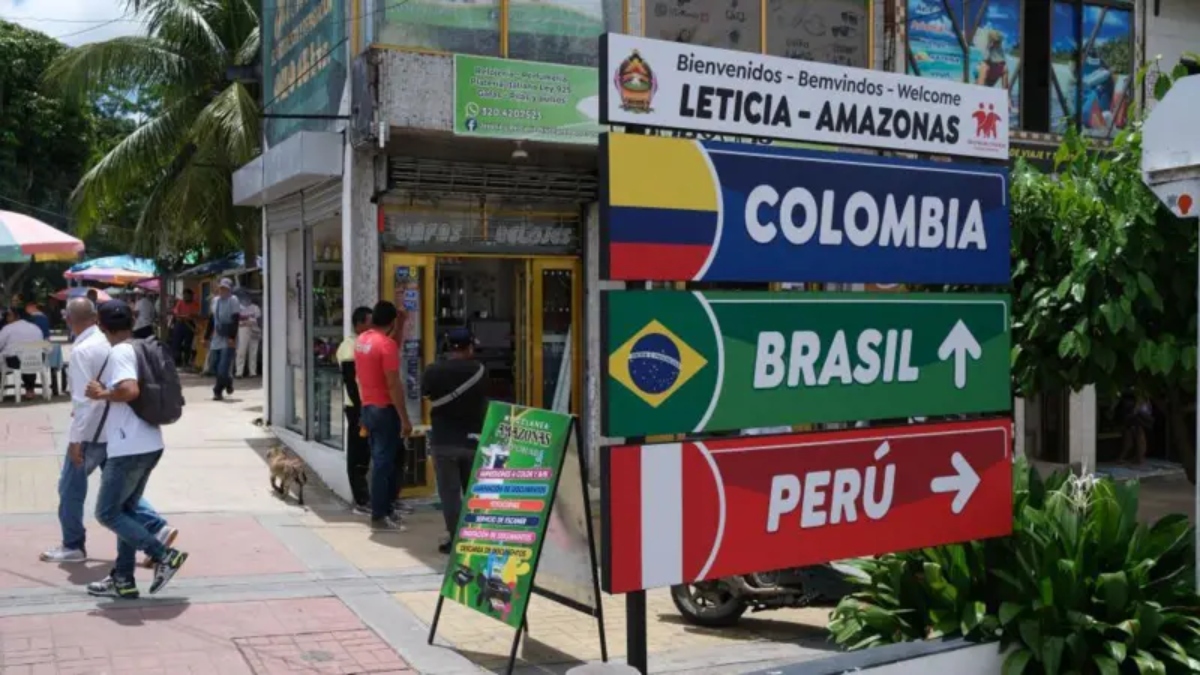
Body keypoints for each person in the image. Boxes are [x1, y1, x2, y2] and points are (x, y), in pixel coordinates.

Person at [40, 298, 177, 565]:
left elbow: (87, 400)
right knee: (122, 498)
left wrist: (76, 438)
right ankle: (153, 534)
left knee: (75, 492)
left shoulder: (89, 350)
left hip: (96, 433)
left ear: (70, 320)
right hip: (124, 435)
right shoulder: (126, 345)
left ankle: (73, 545)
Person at [84, 301, 188, 599]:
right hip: (150, 442)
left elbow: (130, 390)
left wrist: (101, 393)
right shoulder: (142, 346)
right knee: (126, 511)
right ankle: (123, 579)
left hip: (129, 446)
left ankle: (164, 555)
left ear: (101, 327)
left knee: (107, 513)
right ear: (131, 320)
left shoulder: (119, 352)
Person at [422, 328, 488, 554]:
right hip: (473, 440)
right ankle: (475, 536)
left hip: (443, 441)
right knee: (474, 492)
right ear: (470, 346)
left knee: (450, 495)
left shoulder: (433, 371)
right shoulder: (480, 370)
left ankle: (456, 540)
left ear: (448, 347)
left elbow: (426, 394)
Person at [354, 301, 413, 530]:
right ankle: (379, 515)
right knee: (384, 464)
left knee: (385, 461)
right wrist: (405, 419)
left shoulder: (363, 340)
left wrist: (400, 325)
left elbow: (389, 348)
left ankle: (386, 509)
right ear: (390, 321)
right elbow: (393, 384)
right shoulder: (385, 345)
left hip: (368, 408)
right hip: (384, 410)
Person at [339, 307, 373, 514]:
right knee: (358, 453)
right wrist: (361, 411)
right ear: (359, 324)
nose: (372, 326)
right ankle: (360, 500)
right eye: (370, 322)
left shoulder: (365, 345)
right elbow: (350, 382)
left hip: (368, 405)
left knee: (367, 452)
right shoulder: (349, 347)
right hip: (356, 408)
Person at [0, 307, 46, 399]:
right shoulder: (35, 327)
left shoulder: (8, 328)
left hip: (17, 361)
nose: (6, 317)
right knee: (29, 358)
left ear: (17, 316)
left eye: (9, 315)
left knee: (16, 358)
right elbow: (42, 343)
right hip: (37, 360)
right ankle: (30, 390)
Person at [208, 279, 240, 401]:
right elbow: (212, 319)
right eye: (221, 288)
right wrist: (206, 337)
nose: (223, 291)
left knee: (223, 367)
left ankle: (217, 391)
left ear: (230, 289)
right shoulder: (215, 301)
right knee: (214, 365)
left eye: (225, 289)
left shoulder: (233, 300)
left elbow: (235, 319)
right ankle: (228, 381)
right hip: (217, 336)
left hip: (228, 336)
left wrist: (232, 337)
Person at [170, 288, 200, 367]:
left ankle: (186, 361)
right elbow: (176, 311)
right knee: (176, 343)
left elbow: (196, 314)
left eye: (187, 296)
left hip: (189, 324)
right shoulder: (180, 302)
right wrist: (178, 315)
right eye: (184, 295)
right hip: (180, 323)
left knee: (188, 344)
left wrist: (191, 316)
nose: (186, 297)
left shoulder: (195, 304)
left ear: (191, 296)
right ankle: (176, 361)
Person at [235, 292, 262, 378]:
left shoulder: (255, 308)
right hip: (242, 330)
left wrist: (252, 322)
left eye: (248, 298)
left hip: (254, 330)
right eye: (244, 298)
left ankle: (252, 372)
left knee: (253, 352)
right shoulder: (238, 308)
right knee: (241, 351)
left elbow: (259, 320)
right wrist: (243, 323)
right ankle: (239, 372)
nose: (246, 299)